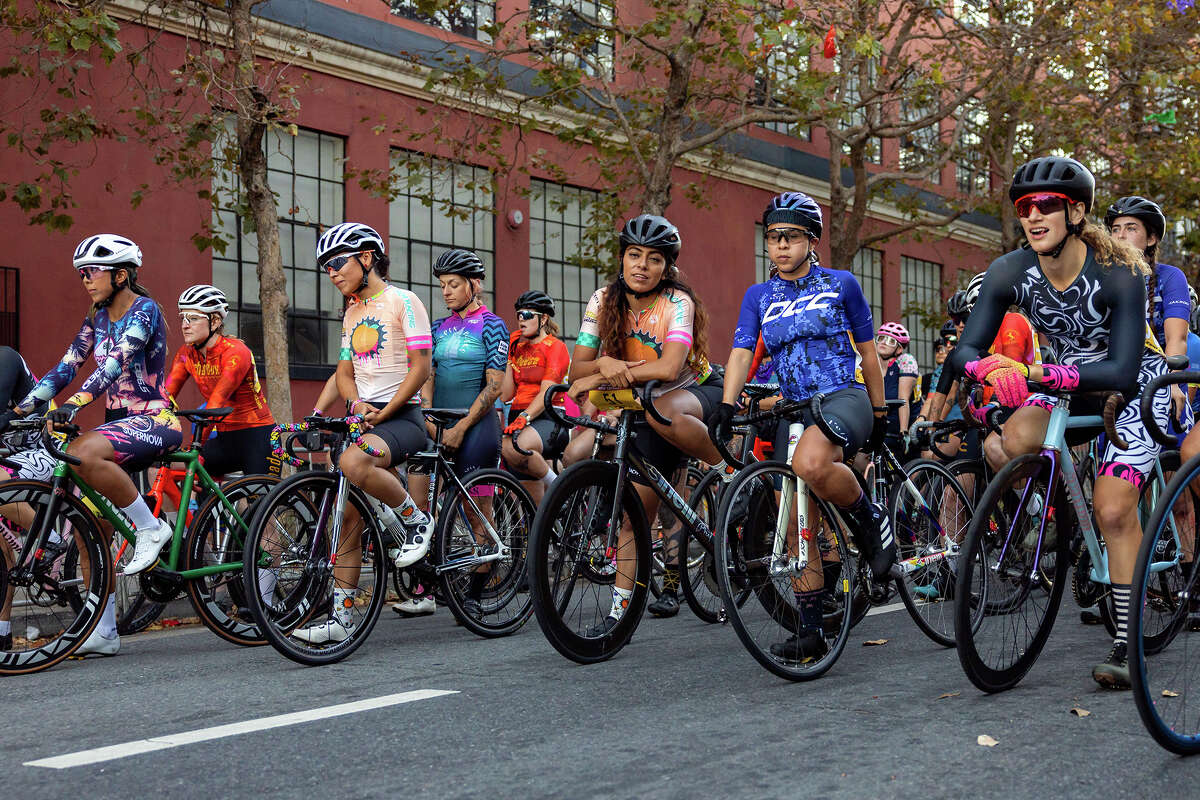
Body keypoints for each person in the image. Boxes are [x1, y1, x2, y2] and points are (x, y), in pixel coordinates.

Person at [929, 156, 1169, 688]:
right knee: (1008, 442)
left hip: (1129, 390)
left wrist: (1034, 370)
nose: (1033, 216)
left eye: (1046, 206)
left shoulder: (1122, 269)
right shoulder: (1010, 271)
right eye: (1024, 207)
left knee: (1113, 508)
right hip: (1060, 383)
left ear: (1077, 212)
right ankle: (1060, 518)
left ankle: (1127, 643)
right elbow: (962, 349)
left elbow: (1123, 369)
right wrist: (986, 364)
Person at [710, 191, 892, 661]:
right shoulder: (759, 296)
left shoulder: (841, 284)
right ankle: (811, 629)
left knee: (809, 464)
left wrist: (879, 412)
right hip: (792, 406)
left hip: (843, 395)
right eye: (772, 238)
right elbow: (740, 352)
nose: (781, 246)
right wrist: (727, 405)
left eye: (791, 237)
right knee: (795, 523)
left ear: (812, 240)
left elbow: (869, 353)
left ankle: (871, 521)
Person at [10, 234, 184, 656]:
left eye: (93, 272)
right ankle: (103, 631)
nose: (86, 280)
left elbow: (112, 366)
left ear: (121, 275)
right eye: (82, 274)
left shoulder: (144, 311)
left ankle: (151, 526)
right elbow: (67, 365)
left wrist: (72, 405)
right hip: (118, 426)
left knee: (84, 451)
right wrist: (21, 409)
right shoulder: (97, 317)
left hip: (154, 420)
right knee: (93, 530)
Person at [566, 213, 726, 633]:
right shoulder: (603, 301)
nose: (642, 265)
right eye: (634, 255)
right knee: (634, 516)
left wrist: (602, 373)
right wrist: (602, 361)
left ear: (666, 267)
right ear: (621, 259)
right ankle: (620, 614)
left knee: (667, 410)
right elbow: (574, 371)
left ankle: (728, 472)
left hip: (696, 393)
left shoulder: (678, 302)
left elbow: (671, 366)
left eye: (654, 259)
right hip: (645, 403)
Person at [291, 222, 434, 643]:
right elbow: (343, 371)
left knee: (352, 461)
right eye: (325, 267)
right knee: (347, 515)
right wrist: (352, 405)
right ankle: (342, 618)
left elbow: (421, 366)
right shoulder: (351, 311)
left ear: (366, 258)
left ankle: (416, 520)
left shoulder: (403, 301)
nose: (332, 272)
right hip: (368, 418)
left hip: (404, 417)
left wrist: (384, 409)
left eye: (337, 263)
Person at [395, 248, 508, 618]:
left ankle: (474, 595)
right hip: (435, 424)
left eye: (454, 284)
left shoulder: (492, 325)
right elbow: (425, 373)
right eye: (443, 285)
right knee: (419, 509)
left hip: (476, 427)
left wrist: (461, 427)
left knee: (477, 514)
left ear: (474, 285)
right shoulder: (437, 328)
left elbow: (494, 387)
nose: (446, 291)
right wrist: (427, 416)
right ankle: (424, 591)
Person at [165, 284, 279, 478]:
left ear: (215, 321)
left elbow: (216, 403)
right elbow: (166, 397)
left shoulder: (235, 352)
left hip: (258, 435)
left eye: (192, 318)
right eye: (182, 318)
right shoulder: (186, 354)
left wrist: (196, 446)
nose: (185, 325)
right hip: (225, 437)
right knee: (163, 467)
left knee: (255, 501)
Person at [1105, 196, 1191, 429]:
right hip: (1117, 380)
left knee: (1182, 454)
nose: (1120, 236)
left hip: (1164, 375)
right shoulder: (1100, 278)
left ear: (1151, 238)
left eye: (1131, 228)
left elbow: (1177, 338)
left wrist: (1171, 383)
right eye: (1115, 229)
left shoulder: (1170, 277)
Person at [500, 290, 570, 505]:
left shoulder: (556, 347)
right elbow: (505, 395)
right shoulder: (517, 347)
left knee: (513, 447)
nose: (521, 319)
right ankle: (547, 529)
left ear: (543, 318)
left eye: (528, 315)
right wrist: (508, 358)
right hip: (517, 416)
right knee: (534, 509)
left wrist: (525, 417)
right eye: (519, 314)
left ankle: (559, 488)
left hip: (548, 417)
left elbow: (547, 393)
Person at [875, 322, 918, 459]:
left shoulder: (905, 361)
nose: (884, 342)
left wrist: (903, 432)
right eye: (881, 338)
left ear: (899, 350)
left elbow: (903, 399)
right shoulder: (871, 364)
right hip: (881, 423)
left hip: (902, 424)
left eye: (891, 341)